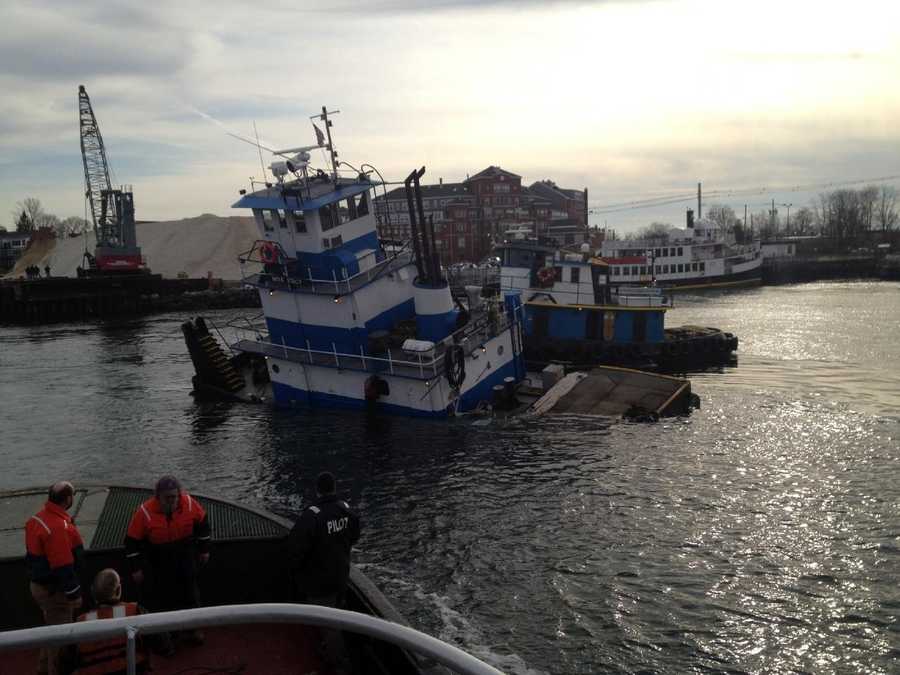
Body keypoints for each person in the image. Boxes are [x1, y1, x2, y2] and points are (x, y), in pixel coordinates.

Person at [124, 476, 211, 651]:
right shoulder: (144, 512)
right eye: (167, 497)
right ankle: (169, 632)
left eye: (174, 496)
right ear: (158, 497)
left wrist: (204, 549)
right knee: (164, 597)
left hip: (185, 553)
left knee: (190, 593)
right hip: (159, 558)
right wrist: (136, 568)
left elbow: (203, 524)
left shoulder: (189, 503)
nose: (172, 501)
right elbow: (131, 541)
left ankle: (194, 628)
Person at [286, 472, 361, 674]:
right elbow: (354, 535)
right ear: (334, 487)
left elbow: (295, 549)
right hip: (341, 576)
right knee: (339, 615)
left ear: (317, 490)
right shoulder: (345, 509)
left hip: (319, 582)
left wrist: (297, 571)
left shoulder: (312, 515)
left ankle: (340, 666)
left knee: (328, 625)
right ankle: (341, 654)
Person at [25, 481, 84, 675]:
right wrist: (74, 594)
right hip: (54, 590)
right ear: (67, 499)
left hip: (39, 586)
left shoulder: (37, 519)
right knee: (60, 638)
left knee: (51, 628)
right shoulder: (57, 526)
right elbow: (62, 565)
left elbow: (31, 557)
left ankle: (42, 669)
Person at [74, 569, 150, 674]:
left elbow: (63, 662)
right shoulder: (135, 610)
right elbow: (160, 641)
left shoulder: (80, 623)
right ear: (119, 590)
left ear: (92, 592)